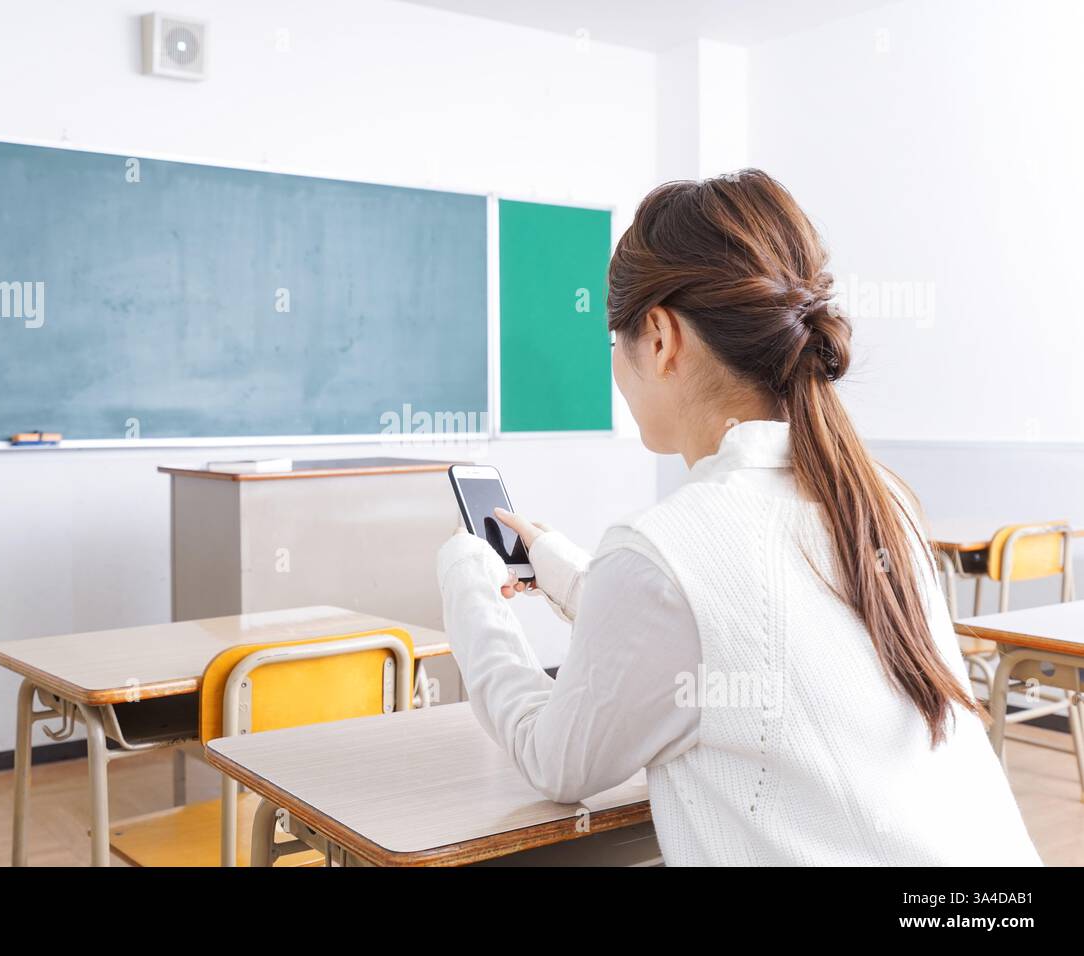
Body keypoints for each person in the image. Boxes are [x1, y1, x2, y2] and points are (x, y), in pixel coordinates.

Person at [436, 170, 1041, 866]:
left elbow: (557, 762)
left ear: (659, 338)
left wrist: (470, 587)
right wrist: (563, 567)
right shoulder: (877, 500)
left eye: (616, 341)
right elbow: (716, 623)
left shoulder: (664, 550)